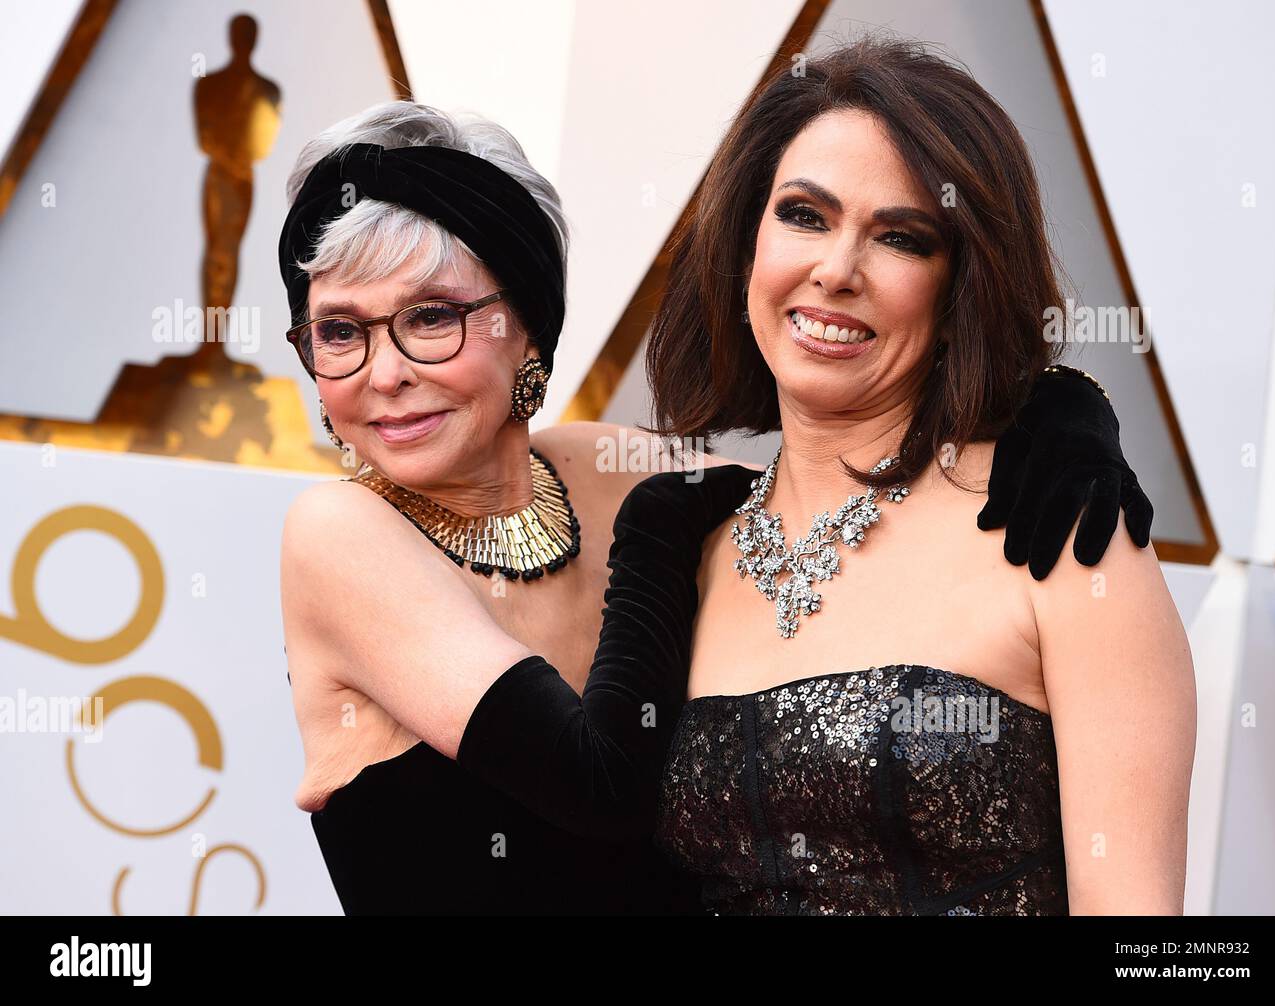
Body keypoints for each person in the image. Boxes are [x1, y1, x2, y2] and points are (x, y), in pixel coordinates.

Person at [280, 53, 1168, 914]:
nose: (384, 371)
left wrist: (1062, 408)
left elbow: (823, 487)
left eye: (432, 318)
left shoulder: (606, 474)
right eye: (338, 332)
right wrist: (663, 527)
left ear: (528, 325)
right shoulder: (341, 534)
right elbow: (602, 782)